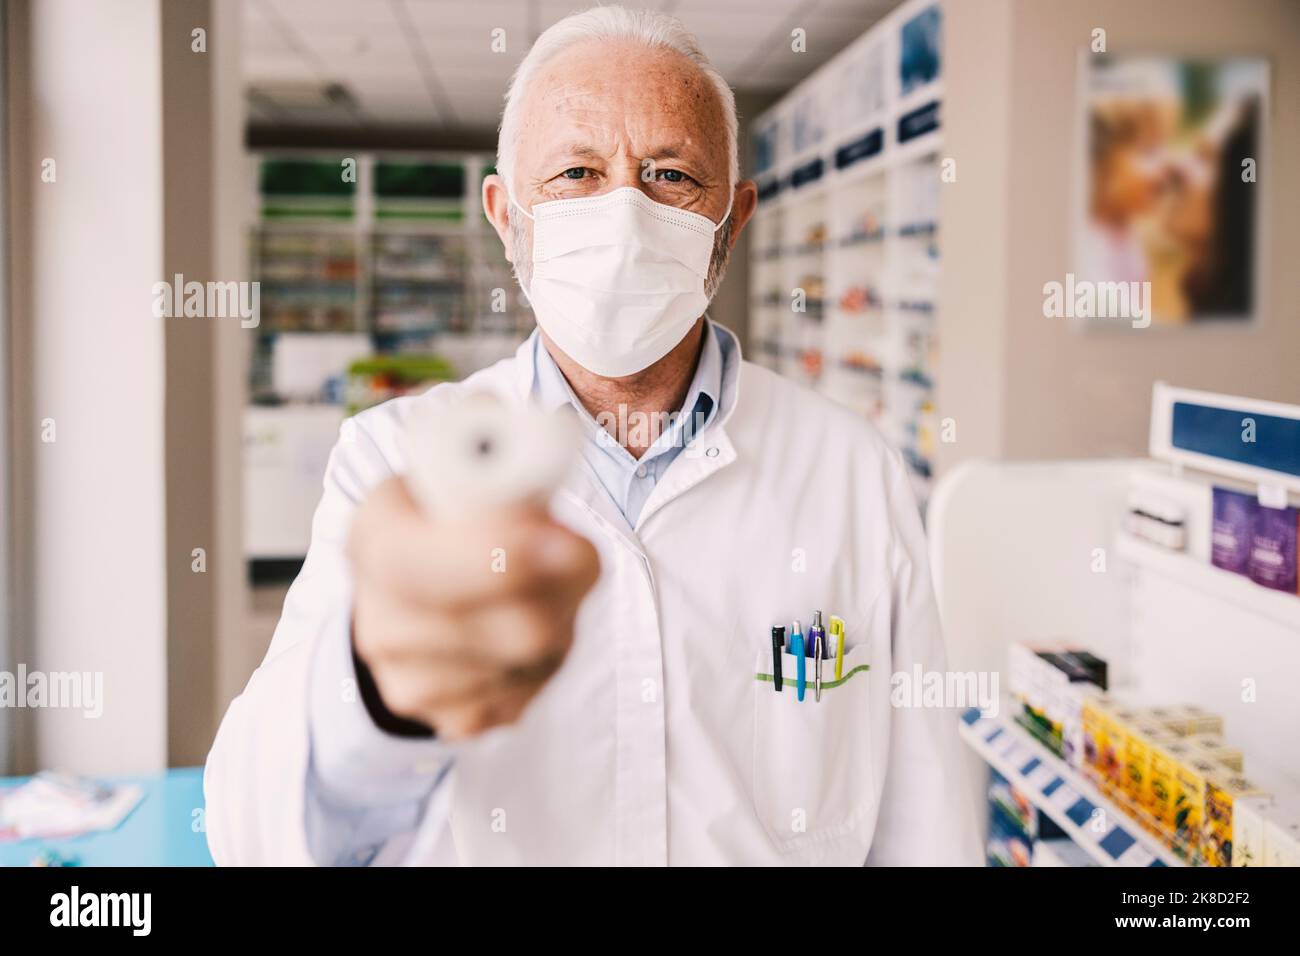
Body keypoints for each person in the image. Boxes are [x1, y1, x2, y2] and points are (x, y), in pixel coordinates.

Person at [205, 5, 980, 867]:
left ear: (733, 221)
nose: (623, 215)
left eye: (670, 175)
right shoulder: (395, 462)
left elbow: (927, 820)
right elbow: (256, 834)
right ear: (506, 216)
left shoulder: (850, 471)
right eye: (575, 173)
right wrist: (376, 695)